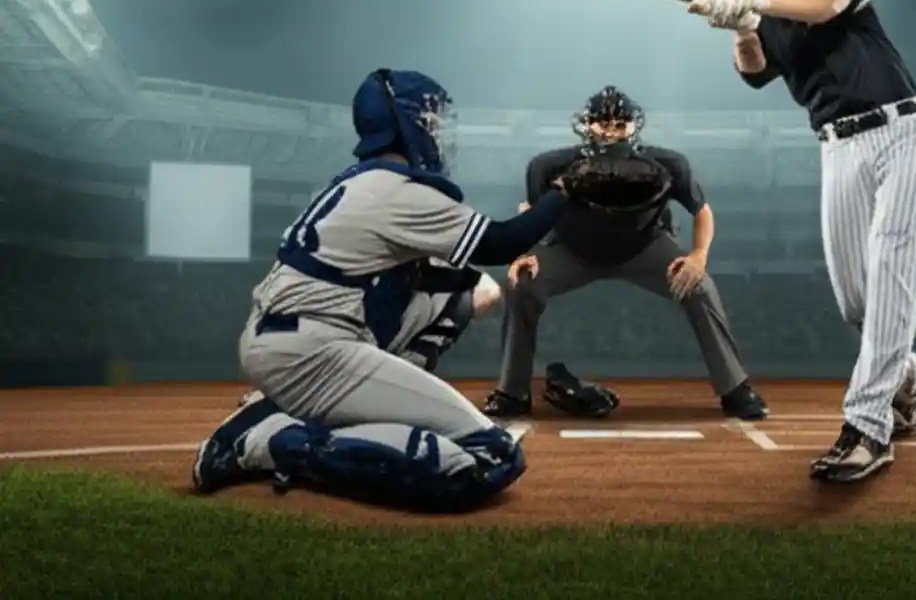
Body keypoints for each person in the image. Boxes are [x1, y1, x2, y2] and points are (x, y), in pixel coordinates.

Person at [191, 68, 573, 511]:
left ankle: (282, 412)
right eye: (433, 121)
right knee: (491, 458)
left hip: (295, 338)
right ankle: (269, 440)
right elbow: (501, 242)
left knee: (454, 294)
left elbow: (457, 283)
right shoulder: (398, 192)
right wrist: (562, 193)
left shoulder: (355, 183)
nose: (441, 133)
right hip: (315, 352)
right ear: (408, 124)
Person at [687, 0, 916, 483]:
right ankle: (910, 374)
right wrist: (740, 25)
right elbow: (753, 70)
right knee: (857, 301)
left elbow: (823, 6)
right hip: (838, 149)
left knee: (892, 262)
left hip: (901, 133)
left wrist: (752, 2)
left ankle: (867, 428)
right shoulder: (768, 20)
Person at [480, 86, 768, 421]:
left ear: (634, 126)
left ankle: (735, 387)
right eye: (603, 123)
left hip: (646, 247)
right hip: (571, 250)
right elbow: (529, 209)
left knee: (699, 286)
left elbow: (701, 210)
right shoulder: (548, 165)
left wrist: (698, 256)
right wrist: (524, 252)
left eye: (619, 123)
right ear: (587, 125)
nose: (611, 130)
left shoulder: (670, 163)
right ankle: (512, 392)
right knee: (521, 283)